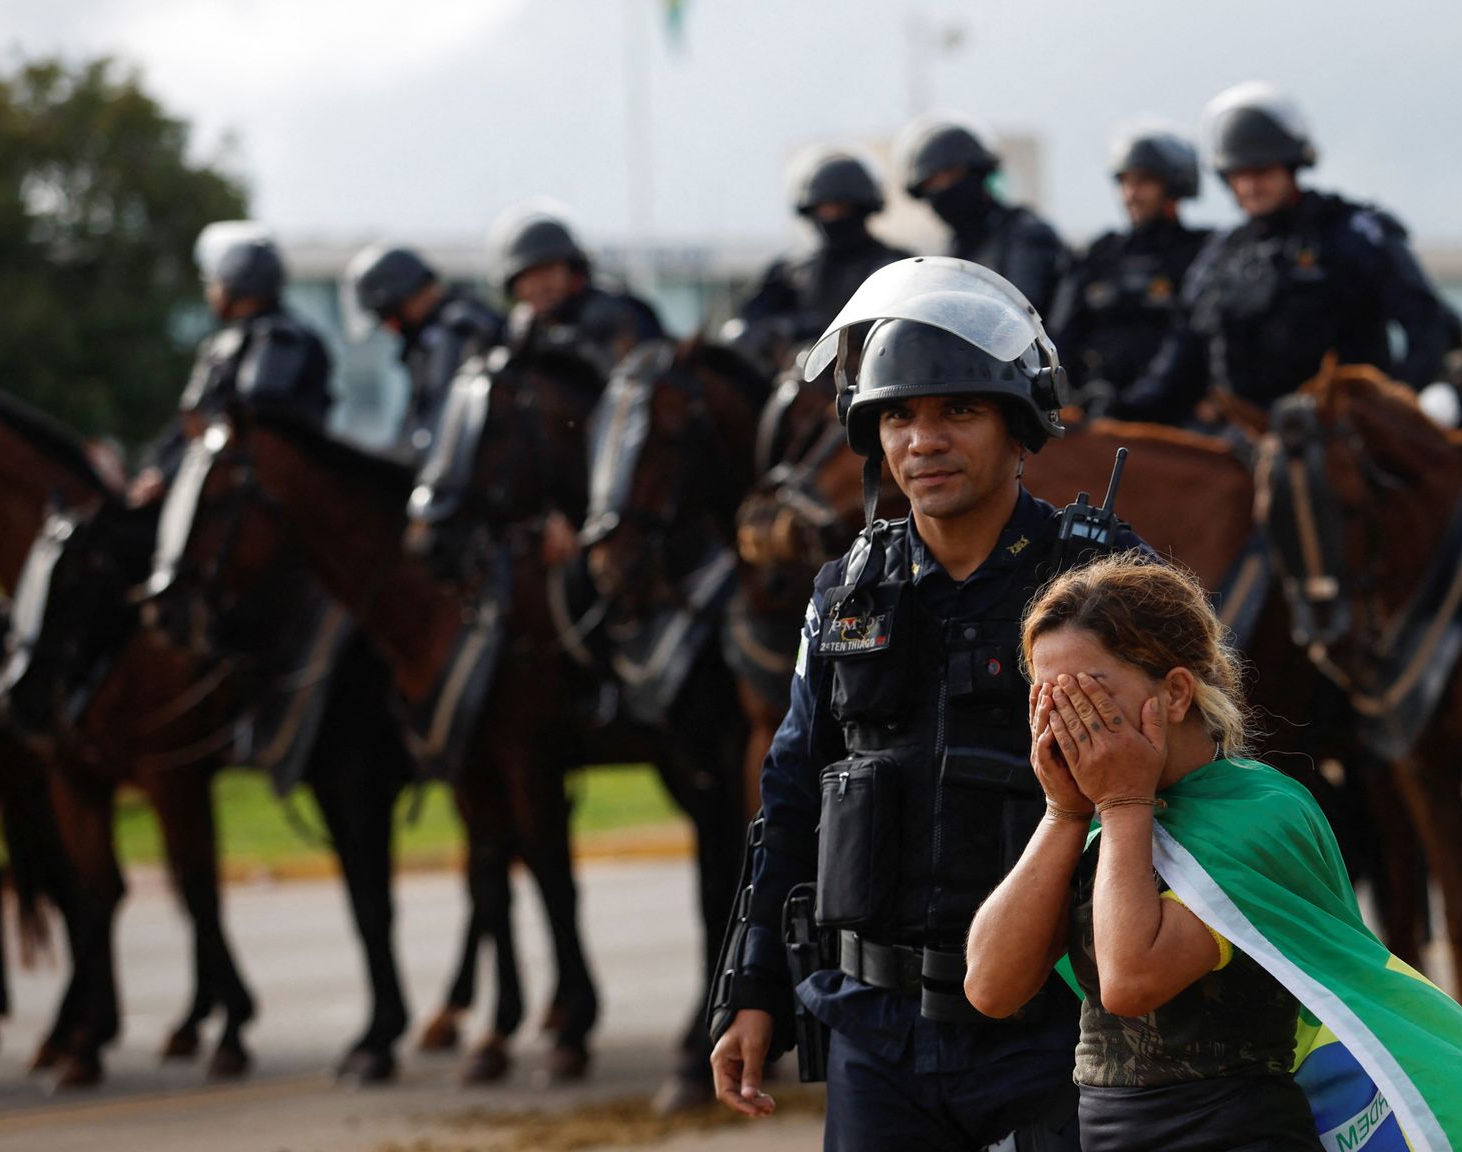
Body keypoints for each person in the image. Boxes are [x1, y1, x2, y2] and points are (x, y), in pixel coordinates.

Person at [705, 257, 1146, 1150]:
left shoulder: (1103, 586)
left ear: (1017, 424)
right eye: (898, 416)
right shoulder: (843, 594)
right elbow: (791, 793)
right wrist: (750, 989)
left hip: (1058, 1035)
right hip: (876, 1036)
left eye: (959, 410)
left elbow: (1188, 797)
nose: (923, 441)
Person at [964, 555, 1462, 1152]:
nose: (1064, 721)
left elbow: (1131, 980)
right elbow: (990, 986)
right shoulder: (1101, 818)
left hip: (1240, 1132)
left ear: (1175, 695)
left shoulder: (1260, 811)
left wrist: (1124, 803)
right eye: (1046, 699)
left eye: (1086, 693)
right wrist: (1063, 812)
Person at [1113, 82, 1457, 425]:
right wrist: (1118, 411)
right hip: (1240, 442)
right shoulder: (1221, 254)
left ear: (1290, 167)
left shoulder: (1350, 232)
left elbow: (1428, 325)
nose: (1251, 186)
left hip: (1340, 440)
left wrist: (1386, 409)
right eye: (1239, 174)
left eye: (1261, 171)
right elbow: (1179, 359)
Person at [131, 222, 333, 505]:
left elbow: (249, 421)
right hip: (209, 484)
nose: (211, 291)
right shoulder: (230, 341)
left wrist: (167, 475)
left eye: (215, 282)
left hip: (257, 499)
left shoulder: (280, 337)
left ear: (235, 282)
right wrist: (155, 469)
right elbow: (192, 422)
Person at [1051, 126, 1213, 405]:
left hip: (1177, 414)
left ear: (1174, 185)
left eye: (1143, 182)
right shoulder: (1099, 254)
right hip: (1097, 412)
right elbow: (1063, 334)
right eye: (1125, 182)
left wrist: (1140, 400)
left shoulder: (1202, 253)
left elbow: (1193, 339)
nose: (1131, 194)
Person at [728, 149, 912, 375]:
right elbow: (748, 323)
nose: (833, 217)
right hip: (803, 379)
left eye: (841, 207)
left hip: (878, 377)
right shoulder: (793, 270)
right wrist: (783, 330)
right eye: (824, 209)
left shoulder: (896, 266)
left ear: (863, 207)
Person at [897, 116, 1069, 317]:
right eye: (930, 186)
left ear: (977, 172)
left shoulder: (1025, 235)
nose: (940, 191)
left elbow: (1019, 315)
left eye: (949, 177)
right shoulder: (955, 250)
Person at [346, 244, 505, 459]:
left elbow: (439, 425)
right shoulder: (435, 335)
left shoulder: (457, 330)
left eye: (390, 316)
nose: (391, 328)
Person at [496, 212, 667, 379]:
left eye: (547, 272)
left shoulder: (609, 312)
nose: (537, 286)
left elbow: (633, 387)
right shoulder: (524, 326)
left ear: (573, 272)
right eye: (527, 278)